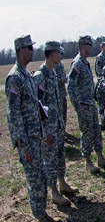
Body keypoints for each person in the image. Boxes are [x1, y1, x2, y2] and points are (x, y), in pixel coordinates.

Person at [6, 35, 64, 222]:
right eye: (29, 48)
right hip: (28, 141)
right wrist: (23, 144)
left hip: (36, 135)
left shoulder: (25, 75)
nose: (32, 51)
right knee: (35, 181)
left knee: (41, 176)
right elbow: (13, 114)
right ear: (21, 51)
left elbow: (35, 105)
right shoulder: (15, 77)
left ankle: (43, 213)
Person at [34, 41, 78, 207]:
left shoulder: (52, 73)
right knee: (50, 159)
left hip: (58, 125)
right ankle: (53, 192)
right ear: (52, 54)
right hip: (48, 129)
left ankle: (62, 183)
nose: (61, 55)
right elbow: (36, 105)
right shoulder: (40, 76)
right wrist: (45, 132)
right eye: (59, 53)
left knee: (59, 156)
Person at [68, 35, 105, 174]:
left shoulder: (85, 62)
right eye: (89, 45)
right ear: (84, 46)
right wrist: (78, 106)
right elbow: (71, 87)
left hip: (90, 104)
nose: (91, 47)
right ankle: (88, 161)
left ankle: (100, 158)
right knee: (86, 133)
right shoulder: (77, 63)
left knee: (96, 131)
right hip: (84, 106)